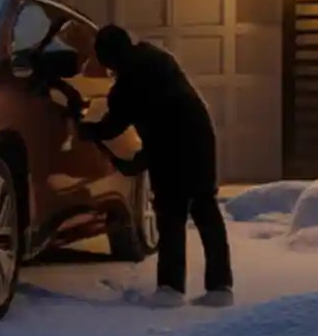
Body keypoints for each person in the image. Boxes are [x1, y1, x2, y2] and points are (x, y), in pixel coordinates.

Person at [72, 24, 233, 308]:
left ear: (110, 55)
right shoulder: (155, 58)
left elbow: (115, 124)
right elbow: (160, 113)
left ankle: (170, 289)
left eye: (103, 57)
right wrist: (141, 157)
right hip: (198, 134)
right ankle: (220, 287)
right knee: (204, 207)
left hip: (172, 141)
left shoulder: (129, 81)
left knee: (171, 213)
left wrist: (87, 130)